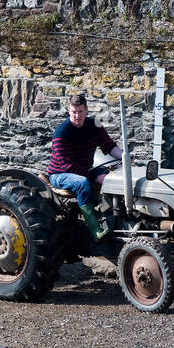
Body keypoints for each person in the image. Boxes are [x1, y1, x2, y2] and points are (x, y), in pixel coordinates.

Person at [47, 94, 122, 240]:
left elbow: (109, 145)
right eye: (74, 112)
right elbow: (66, 165)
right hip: (60, 173)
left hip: (85, 168)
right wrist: (93, 174)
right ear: (68, 111)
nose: (77, 116)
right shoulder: (61, 133)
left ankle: (116, 221)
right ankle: (95, 230)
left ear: (86, 110)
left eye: (80, 111)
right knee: (82, 183)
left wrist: (124, 156)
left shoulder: (95, 124)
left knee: (113, 179)